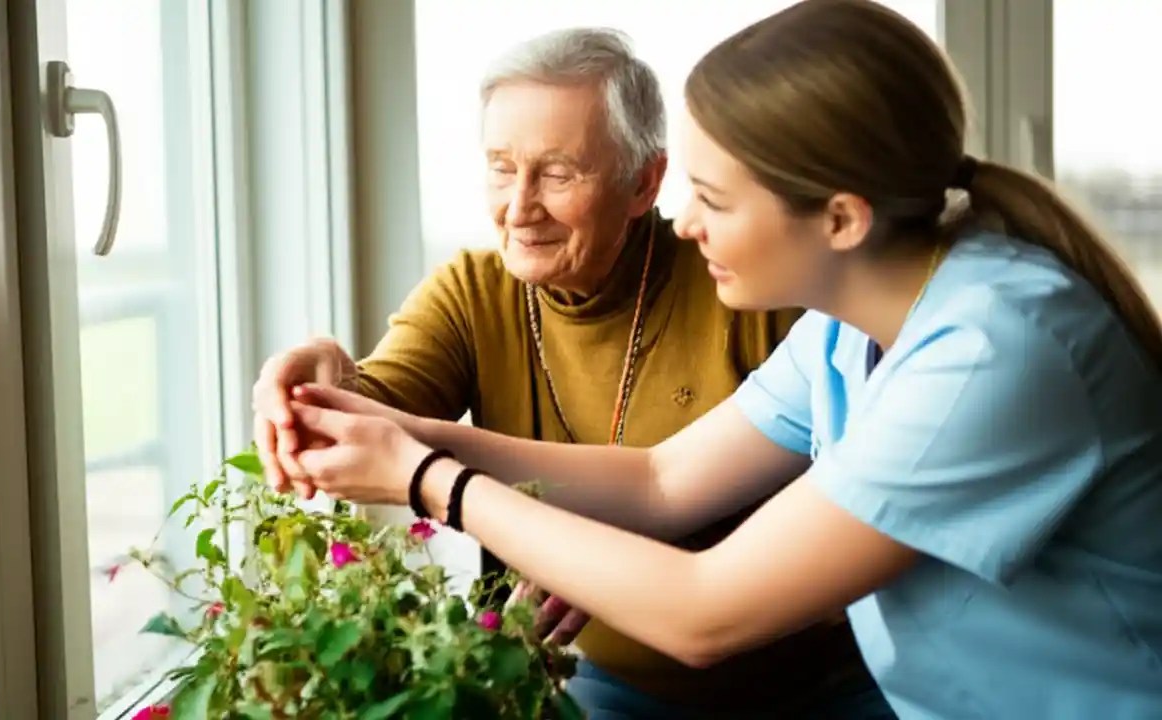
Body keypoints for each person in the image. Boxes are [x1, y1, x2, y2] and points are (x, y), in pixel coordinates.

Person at [267, 1, 1162, 717]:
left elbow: (704, 612)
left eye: (712, 198)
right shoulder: (853, 321)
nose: (687, 226)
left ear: (841, 220)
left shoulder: (992, 351)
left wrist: (430, 483)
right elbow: (661, 480)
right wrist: (395, 427)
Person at [252, 25, 887, 720]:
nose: (519, 208)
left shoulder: (742, 281)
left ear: (643, 182)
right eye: (501, 166)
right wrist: (325, 380)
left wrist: (600, 555)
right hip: (610, 681)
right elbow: (381, 409)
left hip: (808, 676)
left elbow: (812, 500)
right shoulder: (473, 291)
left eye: (557, 173)